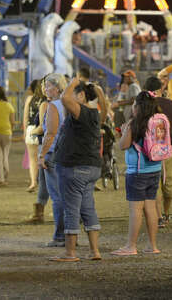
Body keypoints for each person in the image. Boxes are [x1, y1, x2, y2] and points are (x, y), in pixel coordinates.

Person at [51, 77, 108, 262]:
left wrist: (74, 82)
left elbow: (66, 99)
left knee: (71, 210)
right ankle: (94, 251)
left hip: (74, 167)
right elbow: (105, 111)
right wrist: (98, 92)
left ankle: (70, 253)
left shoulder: (81, 112)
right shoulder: (95, 114)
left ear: (81, 96)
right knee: (88, 208)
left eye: (75, 94)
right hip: (91, 167)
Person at [112, 91, 164, 256]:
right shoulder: (159, 120)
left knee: (135, 209)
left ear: (139, 107)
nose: (133, 107)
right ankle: (152, 245)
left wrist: (126, 130)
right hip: (155, 168)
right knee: (151, 208)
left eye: (135, 105)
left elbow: (123, 145)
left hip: (137, 171)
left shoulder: (137, 123)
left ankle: (131, 246)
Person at [142, 76, 172, 227]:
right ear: (161, 89)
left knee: (153, 185)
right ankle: (166, 213)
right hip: (169, 149)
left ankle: (158, 217)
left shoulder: (143, 105)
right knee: (169, 185)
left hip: (149, 151)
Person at [37, 73, 69, 247]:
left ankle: (60, 236)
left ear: (56, 88)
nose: (45, 89)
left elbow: (50, 133)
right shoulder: (68, 104)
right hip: (67, 153)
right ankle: (71, 234)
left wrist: (42, 155)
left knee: (57, 196)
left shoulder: (53, 106)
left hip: (53, 154)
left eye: (48, 85)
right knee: (68, 196)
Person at [22, 79, 43, 192]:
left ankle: (33, 182)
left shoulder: (30, 99)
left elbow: (25, 117)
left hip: (31, 129)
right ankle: (43, 182)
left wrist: (25, 131)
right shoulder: (46, 100)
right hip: (43, 130)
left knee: (32, 159)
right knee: (44, 157)